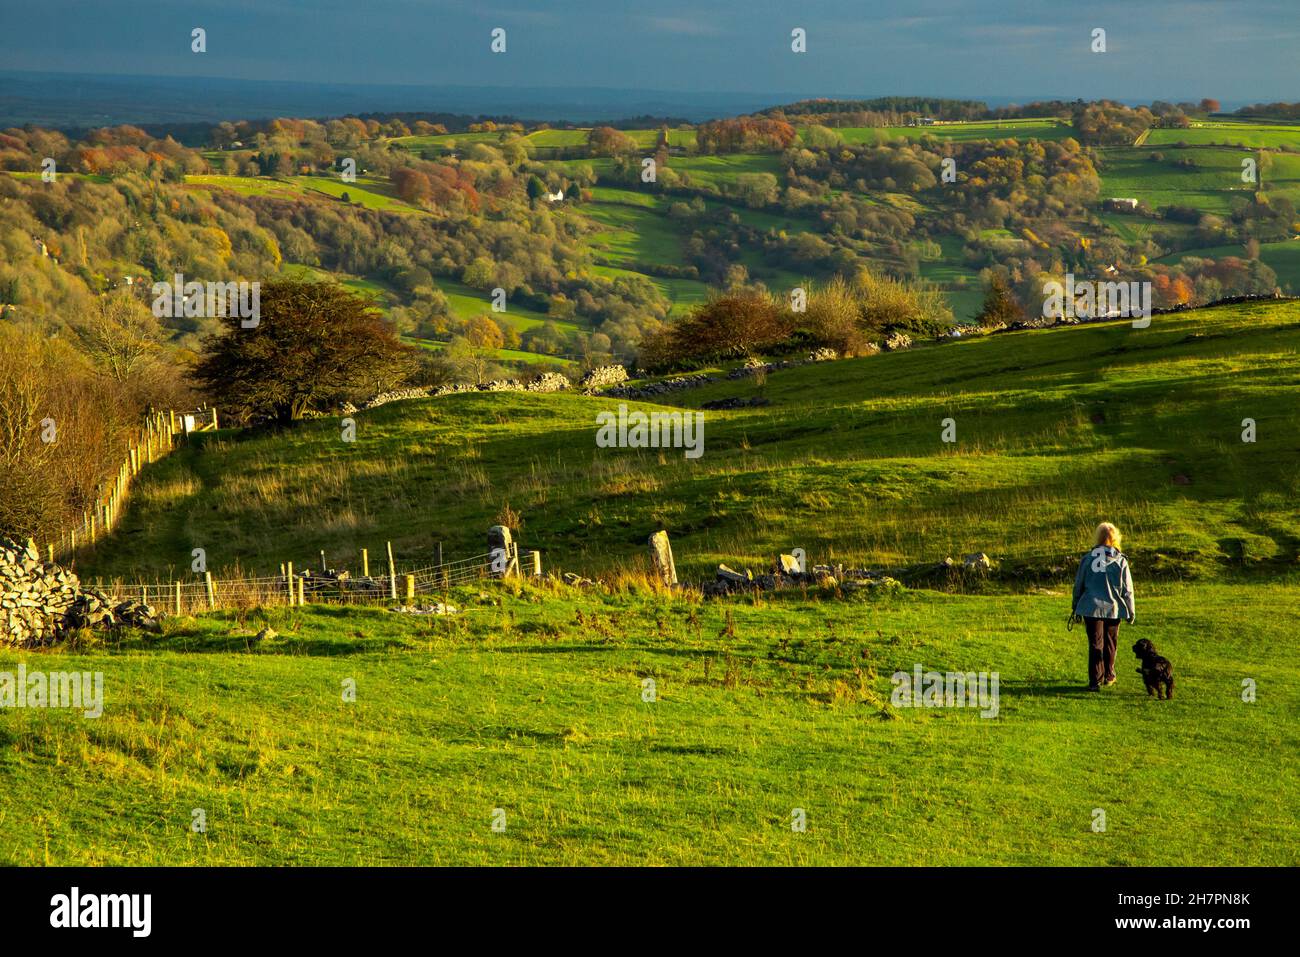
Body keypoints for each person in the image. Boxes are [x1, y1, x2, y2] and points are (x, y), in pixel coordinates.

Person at [1071, 522, 1135, 691]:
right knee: (1110, 643)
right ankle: (1109, 675)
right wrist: (1130, 611)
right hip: (1113, 608)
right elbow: (1127, 589)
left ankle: (1094, 681)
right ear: (1115, 539)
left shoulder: (1087, 558)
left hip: (1091, 607)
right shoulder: (1121, 560)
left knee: (1095, 643)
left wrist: (1075, 605)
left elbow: (1079, 584)